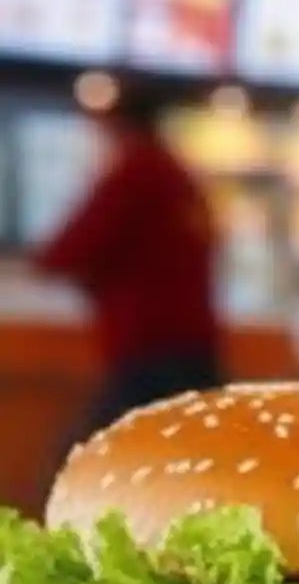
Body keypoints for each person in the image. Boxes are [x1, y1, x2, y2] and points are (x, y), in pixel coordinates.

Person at [35, 86, 222, 434]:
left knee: (92, 466)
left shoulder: (135, 174)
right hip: (190, 344)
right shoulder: (177, 174)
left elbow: (66, 251)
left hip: (149, 346)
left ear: (118, 126)